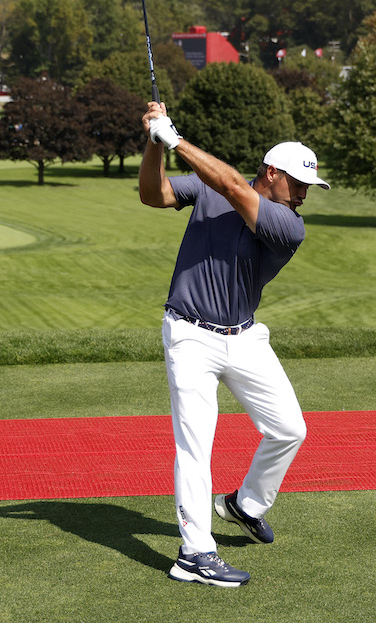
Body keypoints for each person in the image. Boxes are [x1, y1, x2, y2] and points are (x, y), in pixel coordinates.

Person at [139, 102, 328, 588]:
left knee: (290, 428)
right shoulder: (208, 185)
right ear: (272, 172)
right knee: (195, 445)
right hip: (189, 335)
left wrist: (175, 137)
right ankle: (195, 553)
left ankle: (245, 504)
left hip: (244, 337)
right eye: (300, 184)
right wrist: (155, 143)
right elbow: (153, 196)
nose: (305, 195)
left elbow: (232, 187)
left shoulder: (288, 224)